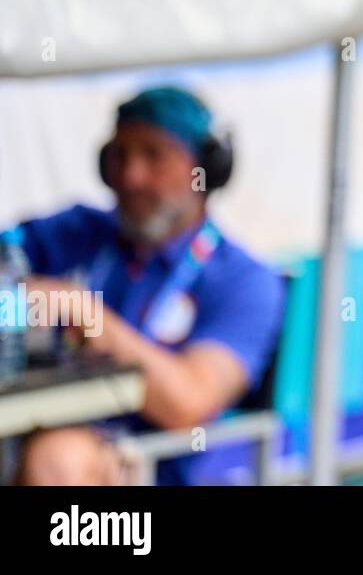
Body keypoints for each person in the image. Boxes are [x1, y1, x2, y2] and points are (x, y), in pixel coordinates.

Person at [10, 86, 285, 485]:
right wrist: (13, 304)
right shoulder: (76, 233)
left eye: (154, 155)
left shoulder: (243, 281)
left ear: (204, 169)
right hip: (37, 430)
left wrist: (82, 311)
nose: (131, 176)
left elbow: (188, 403)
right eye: (119, 156)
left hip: (155, 464)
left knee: (59, 459)